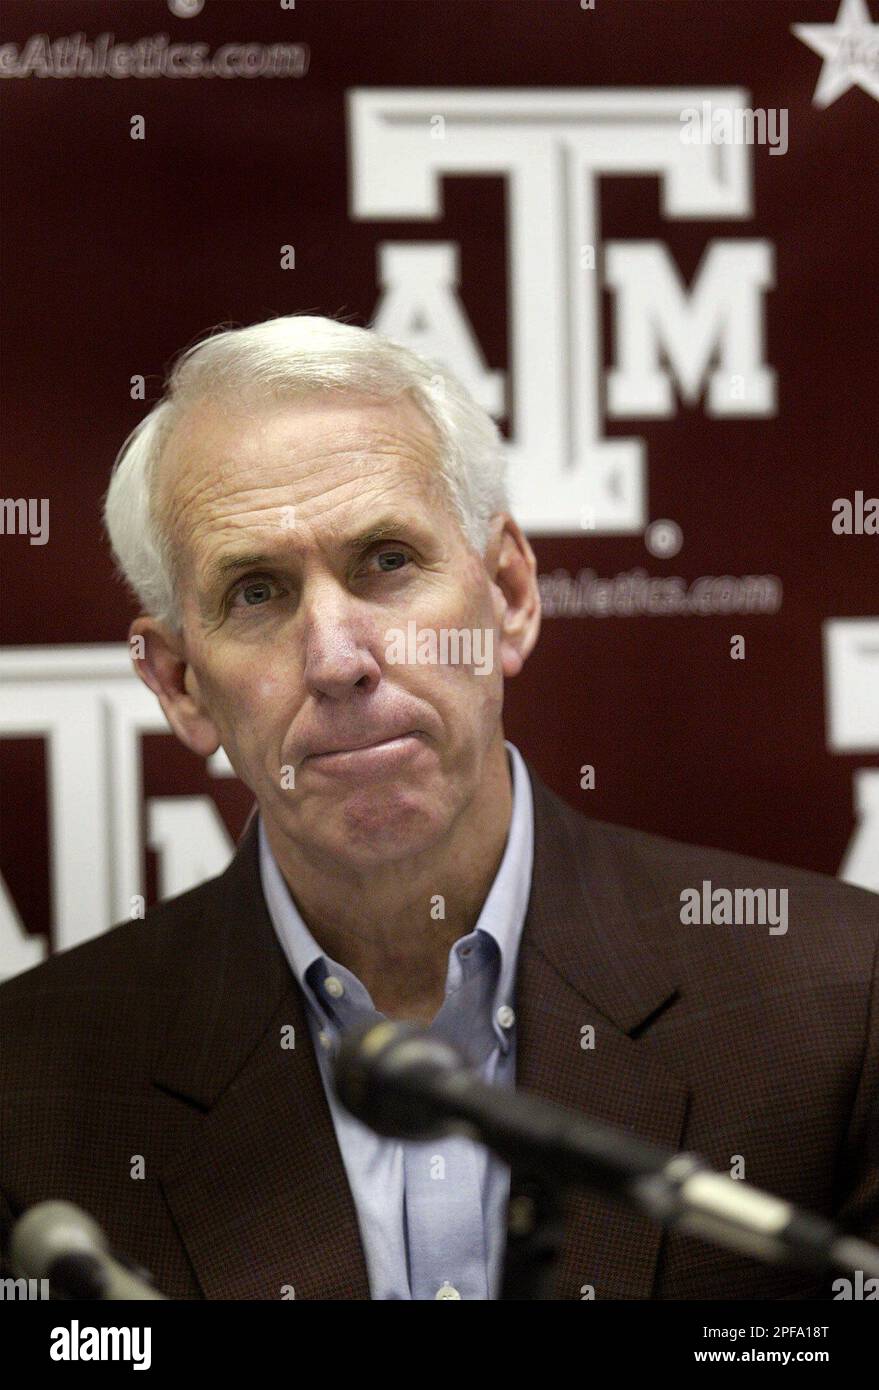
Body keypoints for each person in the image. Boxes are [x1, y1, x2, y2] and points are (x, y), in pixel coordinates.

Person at [1, 316, 877, 1300]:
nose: (338, 659)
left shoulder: (839, 1005)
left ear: (507, 593)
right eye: (256, 591)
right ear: (181, 686)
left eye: (385, 560)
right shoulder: (27, 1102)